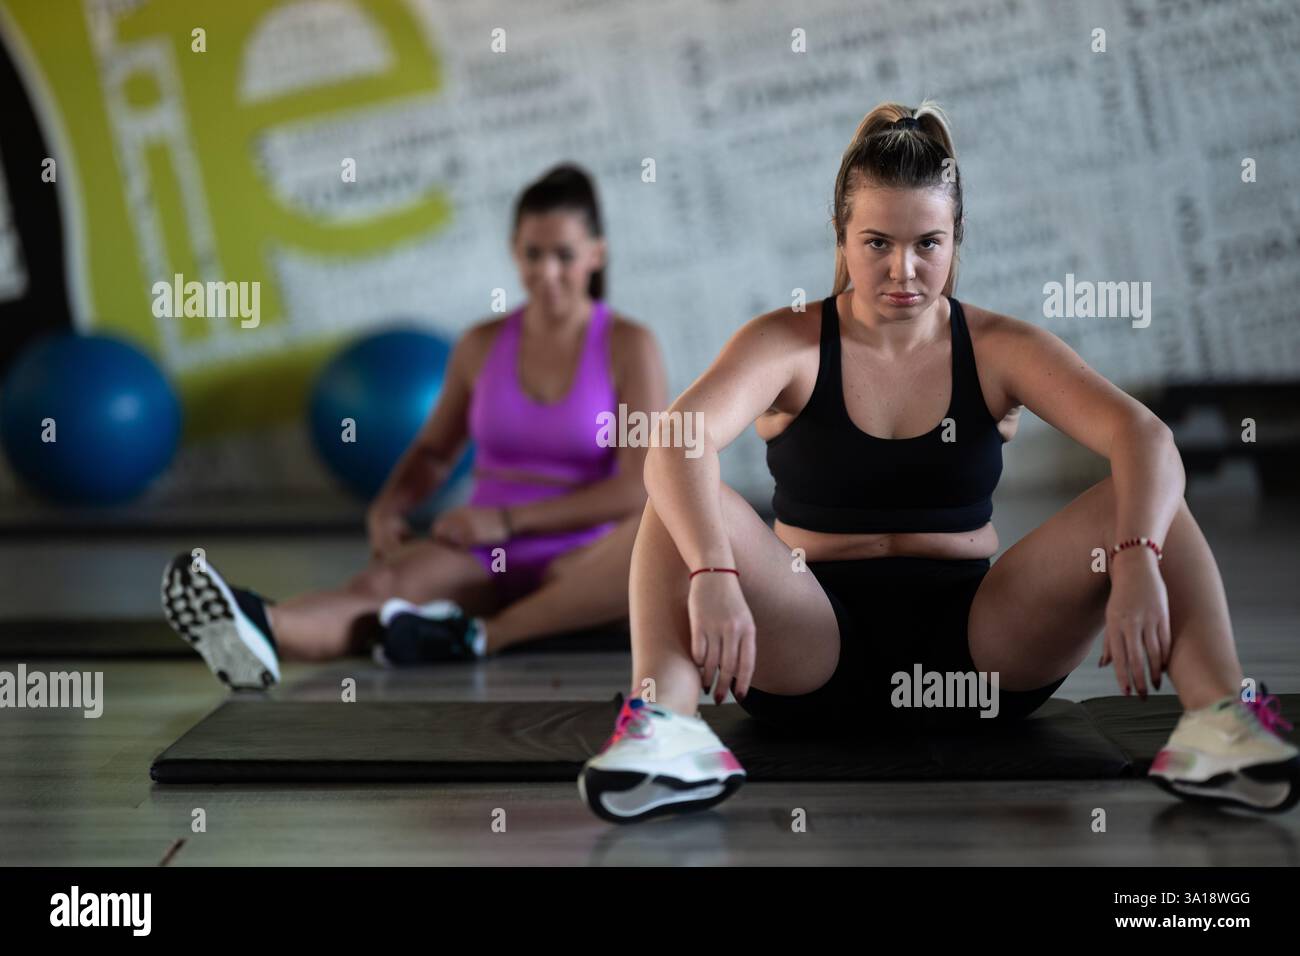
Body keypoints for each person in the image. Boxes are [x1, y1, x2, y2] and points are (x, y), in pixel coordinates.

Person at [578, 102, 1298, 824]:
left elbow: (1144, 436)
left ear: (956, 239)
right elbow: (676, 438)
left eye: (928, 243)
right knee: (673, 503)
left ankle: (1219, 724)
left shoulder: (998, 346)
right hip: (808, 648)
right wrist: (712, 571)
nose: (904, 269)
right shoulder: (789, 342)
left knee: (1145, 497)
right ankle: (666, 730)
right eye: (877, 243)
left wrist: (1136, 556)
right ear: (841, 237)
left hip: (977, 657)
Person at [161, 164, 667, 688]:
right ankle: (259, 626)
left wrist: (510, 522)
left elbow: (638, 486)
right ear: (514, 250)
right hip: (483, 547)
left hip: (588, 550)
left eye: (564, 255)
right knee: (381, 587)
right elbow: (434, 452)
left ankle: (484, 633)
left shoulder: (629, 345)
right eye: (532, 254)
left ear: (596, 254)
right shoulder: (481, 344)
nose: (547, 272)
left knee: (660, 537)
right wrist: (392, 502)